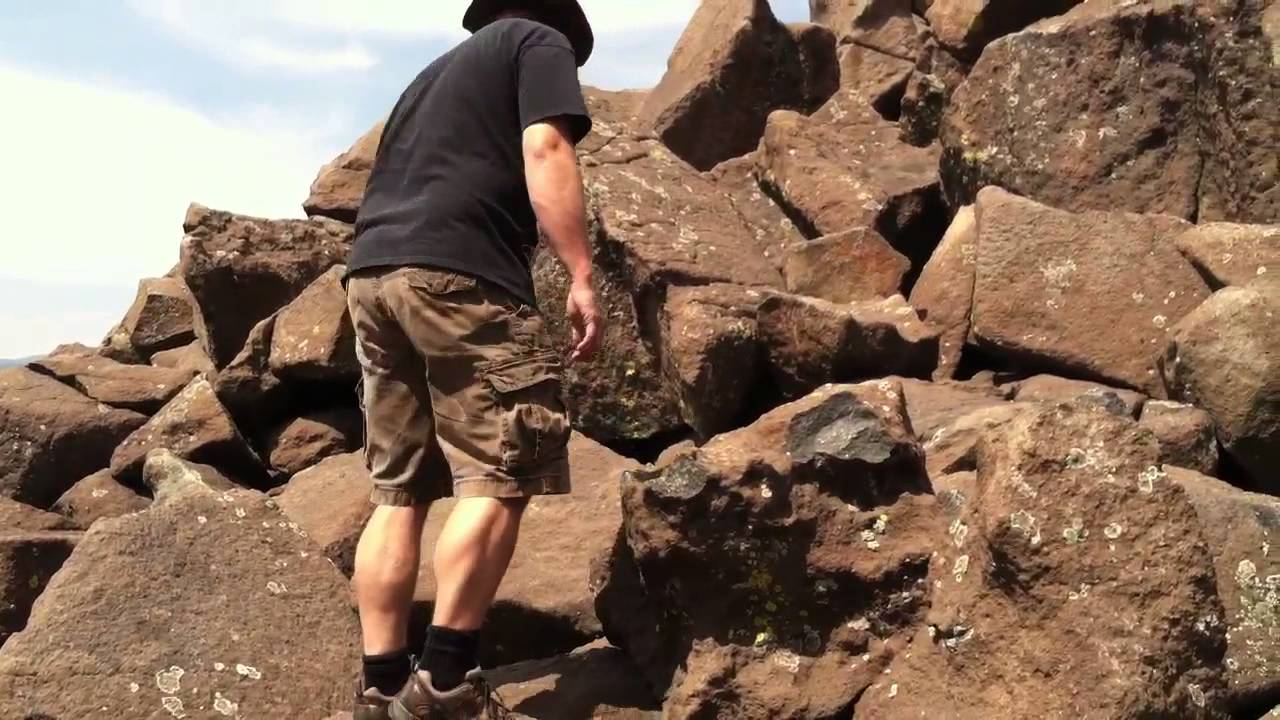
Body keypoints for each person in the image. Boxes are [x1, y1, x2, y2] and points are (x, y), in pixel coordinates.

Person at [341, 1, 601, 718]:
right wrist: (580, 274)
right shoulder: (537, 41)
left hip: (374, 275)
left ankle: (382, 685)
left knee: (399, 492)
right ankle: (447, 684)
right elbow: (546, 147)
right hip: (461, 277)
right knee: (502, 470)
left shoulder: (428, 79)